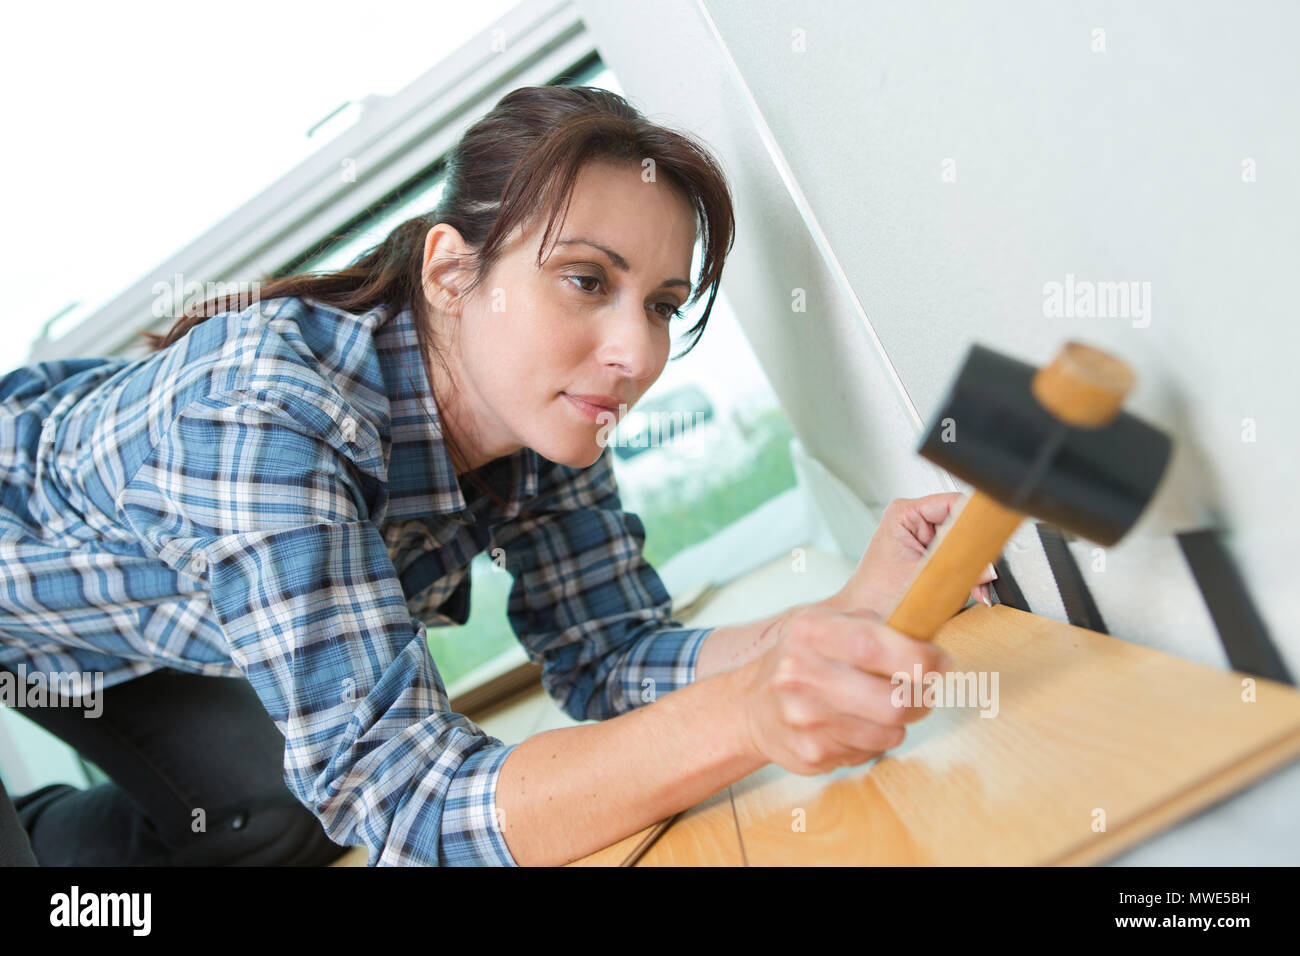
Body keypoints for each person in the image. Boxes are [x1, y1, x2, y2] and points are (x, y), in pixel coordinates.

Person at [0, 85, 995, 867]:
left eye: (660, 303)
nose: (633, 353)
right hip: (28, 575)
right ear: (448, 272)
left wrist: (835, 614)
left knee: (272, 821)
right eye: (586, 280)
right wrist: (747, 712)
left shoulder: (542, 416)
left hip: (143, 611)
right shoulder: (270, 418)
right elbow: (402, 793)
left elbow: (610, 654)